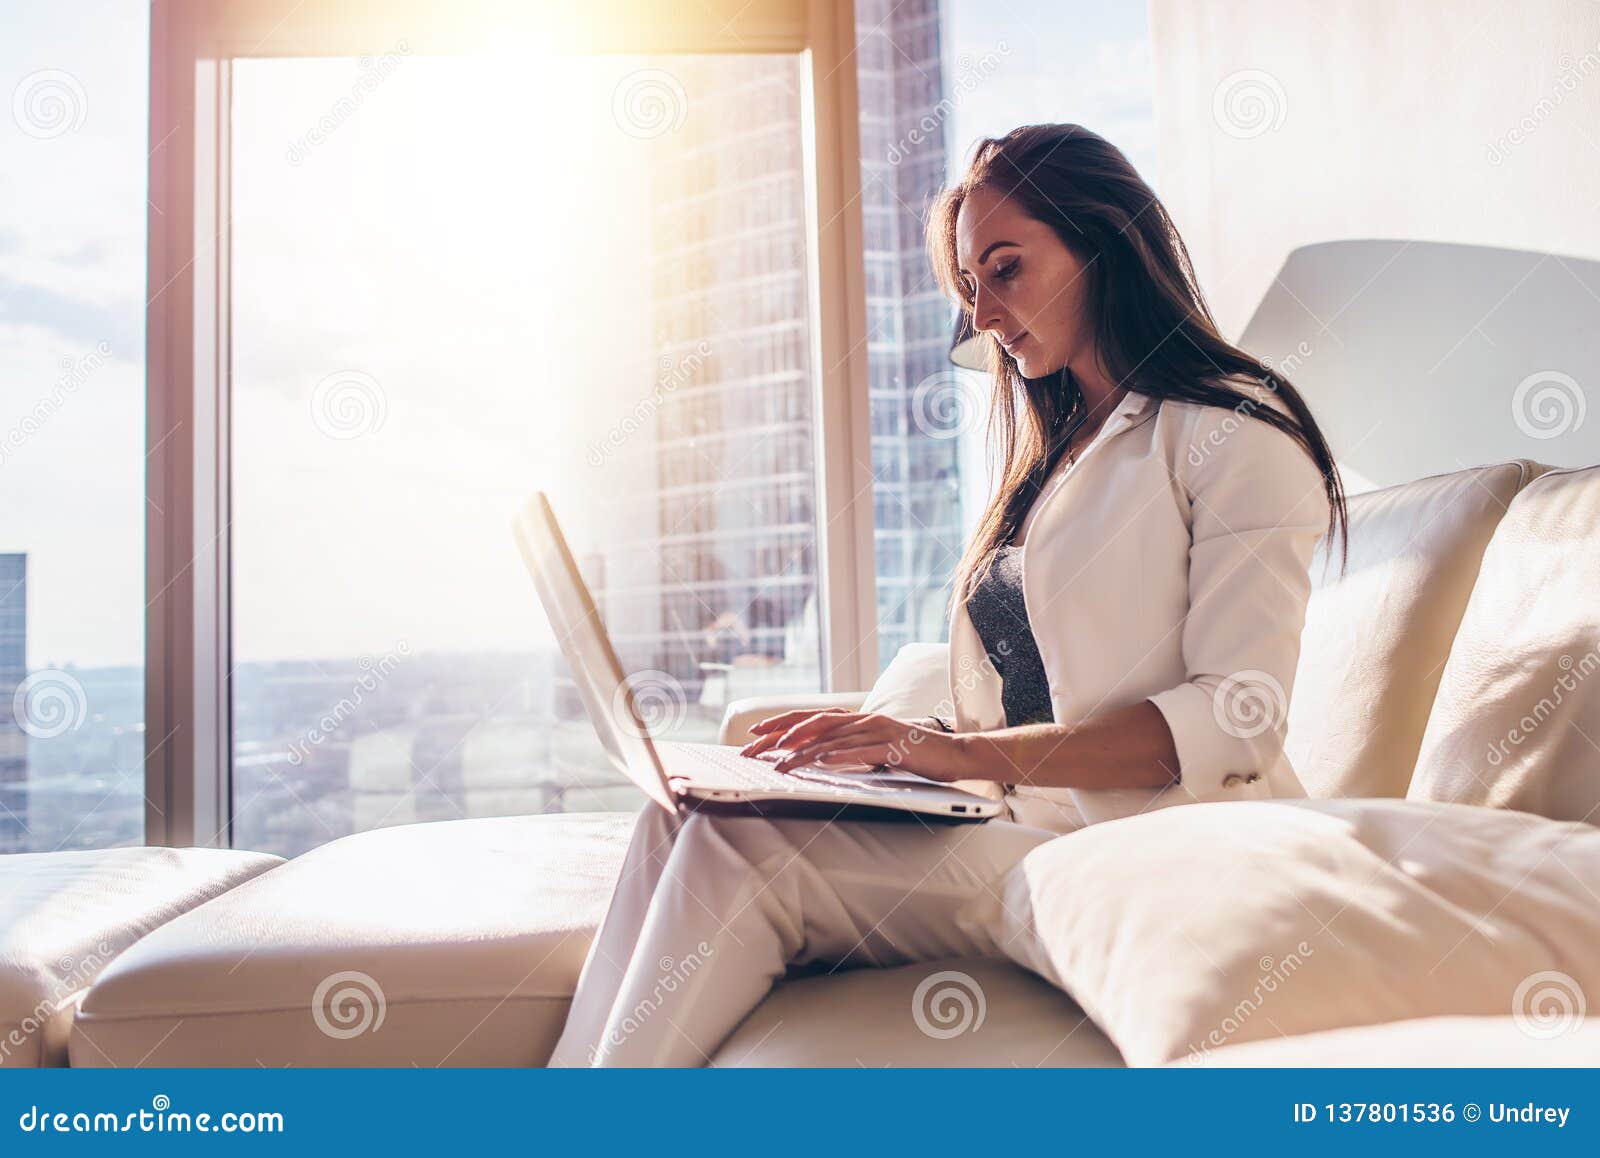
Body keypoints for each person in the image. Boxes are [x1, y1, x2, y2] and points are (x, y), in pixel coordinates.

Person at [545, 123, 1350, 1067]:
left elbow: (1236, 719)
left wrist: (951, 751)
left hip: (1155, 853)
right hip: (1019, 826)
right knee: (683, 821)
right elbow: (1023, 682)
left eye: (1005, 270)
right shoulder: (1057, 454)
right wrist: (867, 752)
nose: (985, 315)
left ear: (1104, 242)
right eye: (971, 287)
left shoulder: (1230, 435)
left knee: (733, 858)